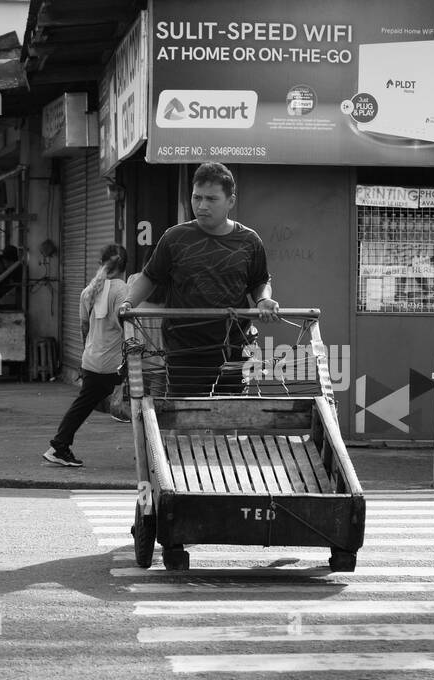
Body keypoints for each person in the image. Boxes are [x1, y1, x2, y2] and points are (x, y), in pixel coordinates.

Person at [119, 162, 279, 395]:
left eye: (211, 199)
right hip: (184, 350)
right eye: (197, 198)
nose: (202, 206)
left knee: (229, 418)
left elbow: (260, 281)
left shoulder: (249, 240)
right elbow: (150, 277)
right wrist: (127, 304)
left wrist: (264, 300)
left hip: (233, 347)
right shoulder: (175, 237)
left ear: (230, 201)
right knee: (187, 419)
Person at [43, 244, 130, 467]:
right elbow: (127, 324)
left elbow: (84, 328)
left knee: (86, 403)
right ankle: (59, 445)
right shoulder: (122, 289)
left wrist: (88, 353)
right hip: (112, 362)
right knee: (141, 400)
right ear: (124, 266)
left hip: (92, 358)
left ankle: (60, 445)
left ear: (100, 264)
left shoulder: (89, 290)